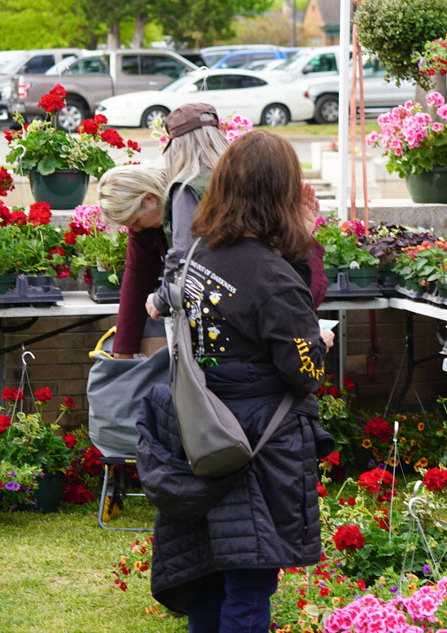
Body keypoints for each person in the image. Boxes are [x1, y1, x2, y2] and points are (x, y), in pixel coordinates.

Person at [137, 129, 337, 633]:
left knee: (207, 577)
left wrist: (297, 247)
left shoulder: (198, 255)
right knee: (249, 585)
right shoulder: (272, 276)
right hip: (257, 446)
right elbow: (305, 373)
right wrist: (319, 343)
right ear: (280, 194)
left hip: (200, 430)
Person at [107, 103, 227, 360]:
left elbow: (189, 262)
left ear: (150, 199)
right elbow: (136, 279)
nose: (135, 229)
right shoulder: (147, 222)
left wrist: (161, 299)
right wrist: (122, 354)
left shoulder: (190, 192)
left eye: (134, 221)